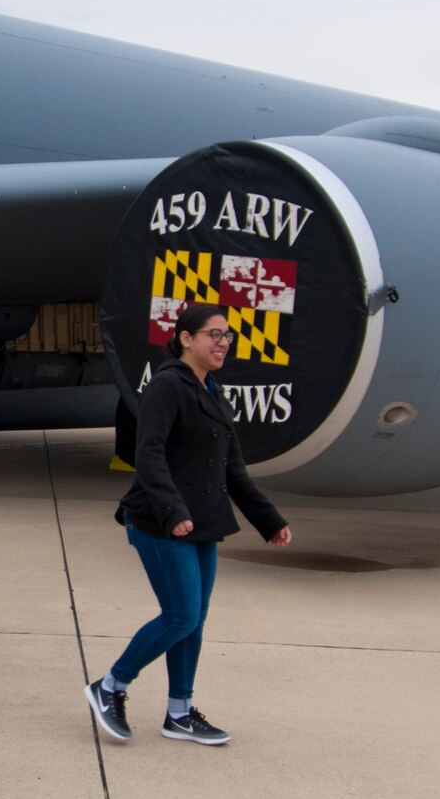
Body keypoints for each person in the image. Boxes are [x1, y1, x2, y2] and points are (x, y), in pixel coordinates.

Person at [85, 302, 292, 748]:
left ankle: (179, 712)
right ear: (185, 338)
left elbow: (233, 469)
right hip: (160, 521)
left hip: (202, 523)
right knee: (179, 615)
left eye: (227, 335)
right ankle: (110, 686)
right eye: (214, 334)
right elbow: (149, 454)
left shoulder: (211, 389)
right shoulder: (167, 385)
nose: (223, 342)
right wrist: (173, 510)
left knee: (193, 619)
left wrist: (269, 520)